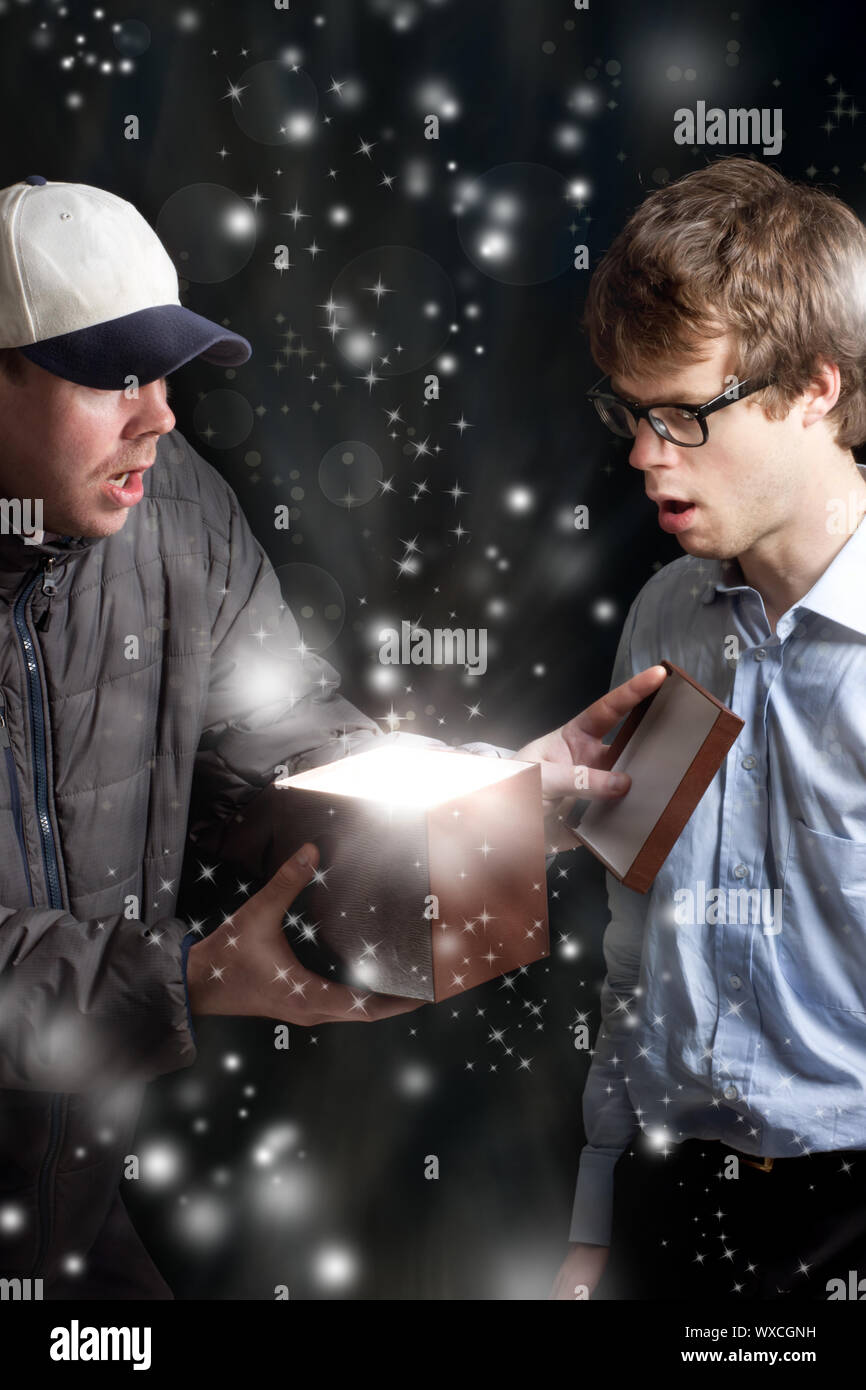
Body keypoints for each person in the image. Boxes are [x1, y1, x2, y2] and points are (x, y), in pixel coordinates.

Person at [0, 175, 662, 1300]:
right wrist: (184, 977)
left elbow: (281, 744)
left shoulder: (175, 513)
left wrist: (489, 799)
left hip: (69, 1206)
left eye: (162, 371)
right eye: (111, 376)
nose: (157, 414)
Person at [551, 156, 866, 1301]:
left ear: (812, 388)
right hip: (666, 1203)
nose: (642, 453)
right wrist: (596, 1217)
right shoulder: (664, 616)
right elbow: (631, 939)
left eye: (682, 413)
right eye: (630, 415)